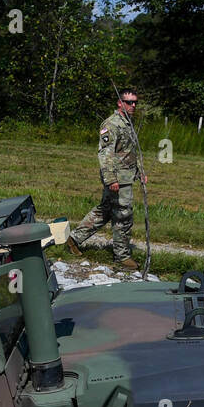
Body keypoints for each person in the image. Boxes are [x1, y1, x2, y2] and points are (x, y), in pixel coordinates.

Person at [68, 88, 147, 271]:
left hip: (126, 176)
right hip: (117, 179)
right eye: (129, 102)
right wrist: (111, 179)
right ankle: (122, 257)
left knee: (105, 211)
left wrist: (139, 172)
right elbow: (105, 154)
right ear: (120, 103)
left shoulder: (128, 123)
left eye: (135, 102)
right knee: (123, 216)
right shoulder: (111, 124)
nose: (133, 105)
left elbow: (129, 152)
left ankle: (74, 239)